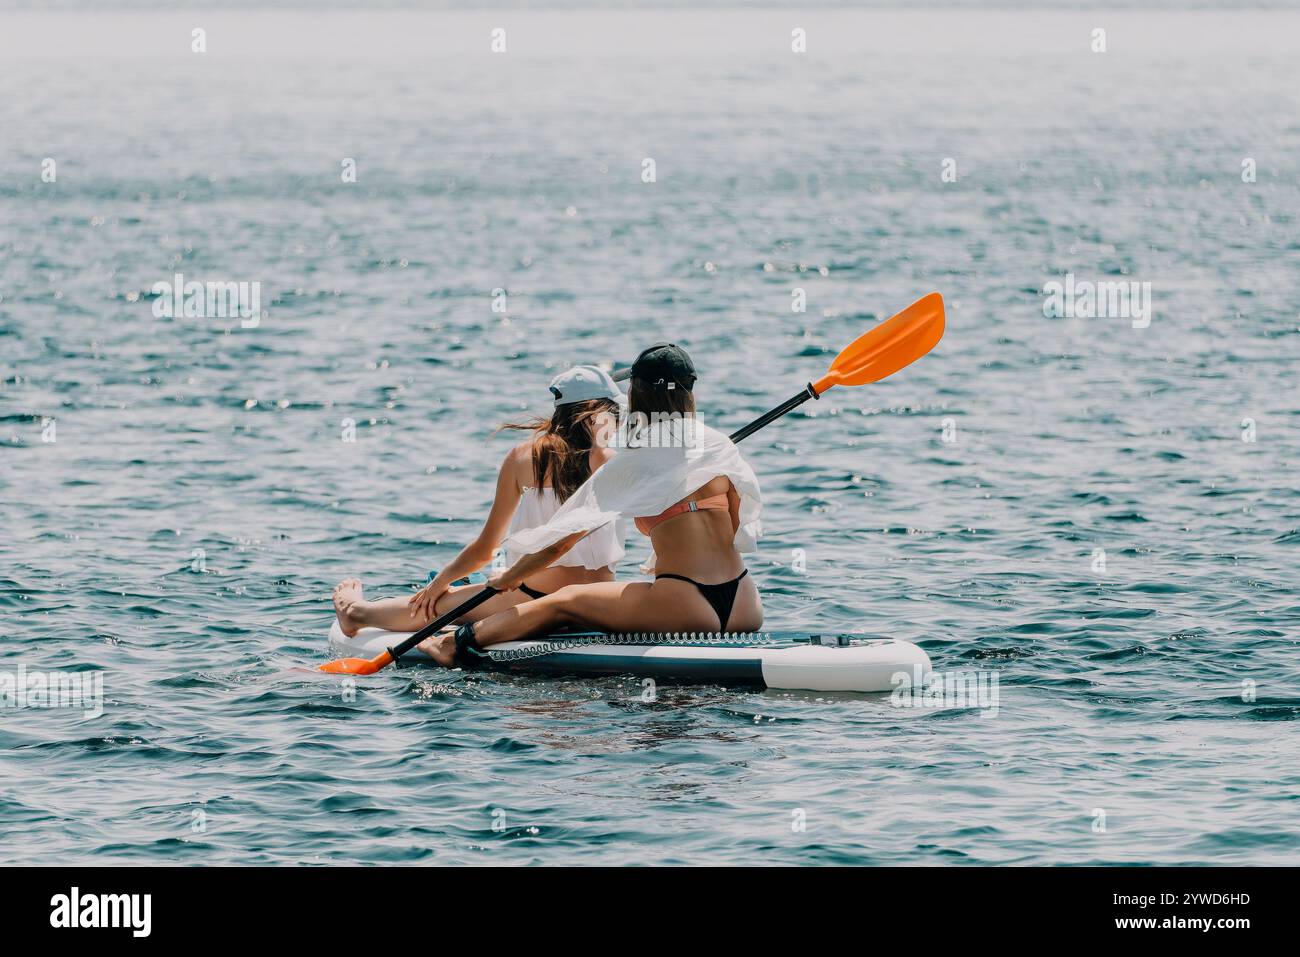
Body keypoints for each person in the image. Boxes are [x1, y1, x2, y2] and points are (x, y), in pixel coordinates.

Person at [417, 343, 763, 669]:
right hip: (745, 603)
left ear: (635, 393)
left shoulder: (633, 460)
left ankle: (454, 645)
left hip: (687, 606)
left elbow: (563, 541)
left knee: (566, 601)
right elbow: (736, 525)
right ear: (690, 392)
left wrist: (511, 577)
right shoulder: (718, 446)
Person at [332, 365, 624, 637]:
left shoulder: (523, 458)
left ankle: (354, 612)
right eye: (616, 414)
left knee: (438, 604)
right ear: (596, 414)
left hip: (535, 598)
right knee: (477, 586)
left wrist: (440, 583)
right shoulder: (617, 464)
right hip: (600, 605)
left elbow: (486, 548)